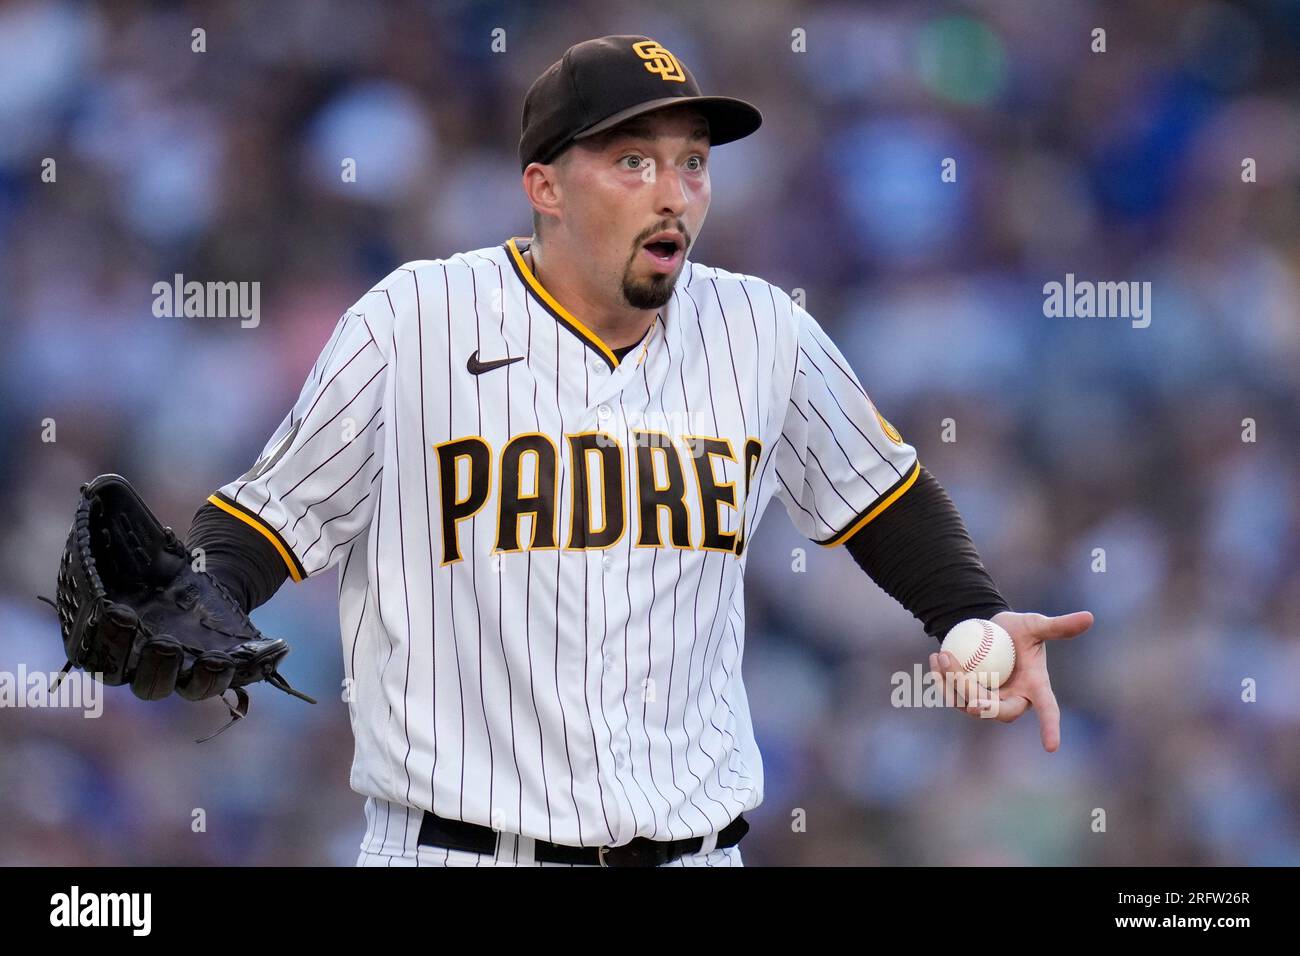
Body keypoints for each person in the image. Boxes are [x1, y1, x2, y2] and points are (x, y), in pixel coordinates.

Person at [187, 35, 1092, 867]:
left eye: (693, 163)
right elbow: (281, 513)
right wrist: (206, 588)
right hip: (458, 851)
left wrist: (973, 609)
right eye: (634, 161)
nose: (675, 191)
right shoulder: (414, 319)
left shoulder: (761, 328)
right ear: (545, 186)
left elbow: (882, 497)